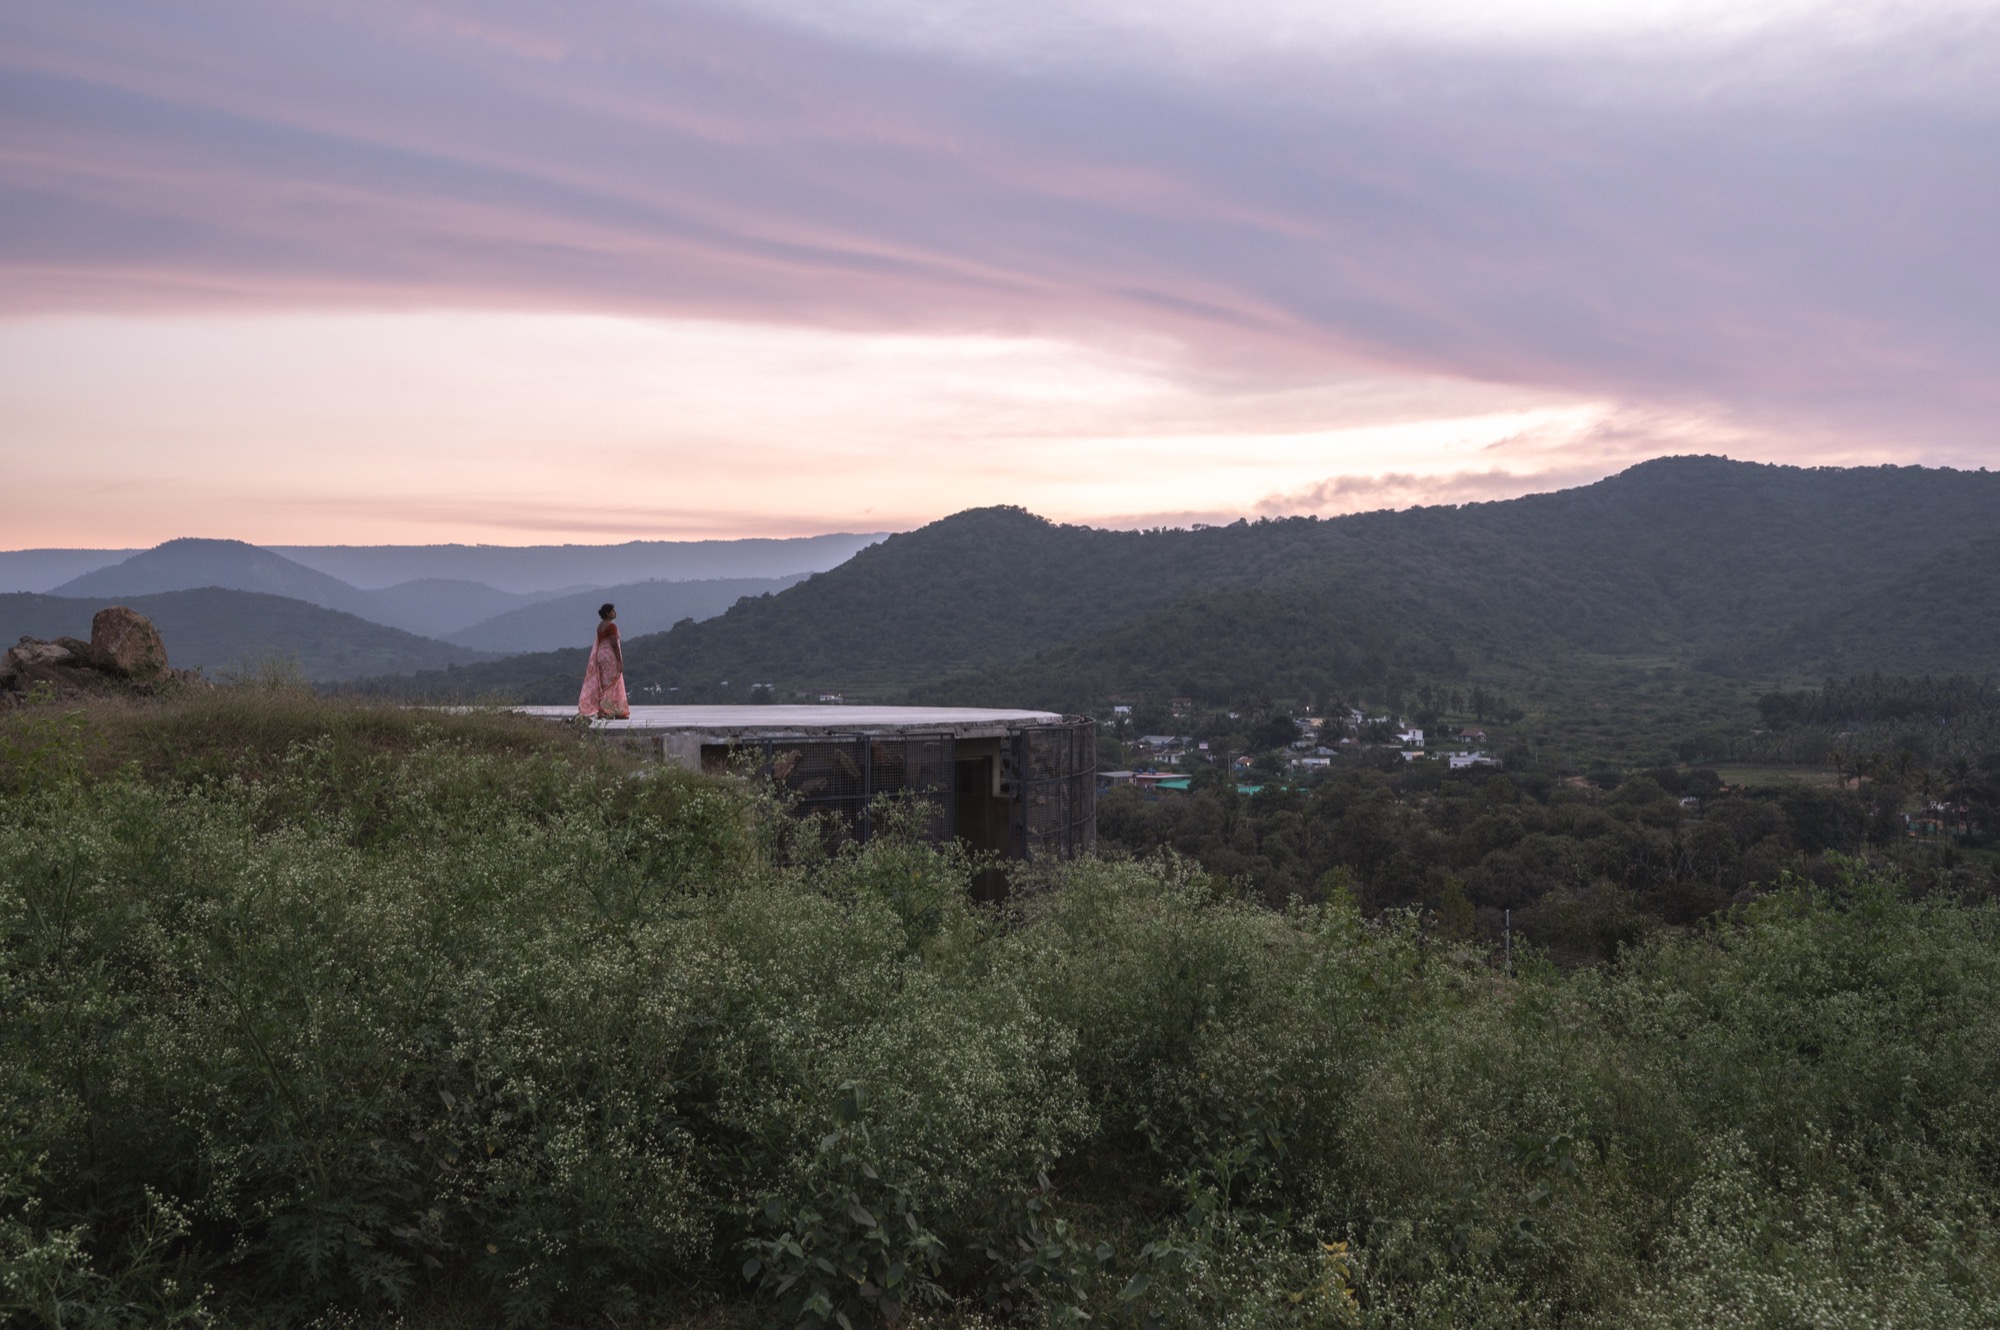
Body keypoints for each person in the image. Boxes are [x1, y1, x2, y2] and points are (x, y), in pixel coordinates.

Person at [578, 603, 630, 720]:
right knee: (612, 684)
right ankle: (609, 710)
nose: (615, 612)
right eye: (613, 611)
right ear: (607, 613)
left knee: (605, 684)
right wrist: (619, 661)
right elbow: (614, 644)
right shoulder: (612, 627)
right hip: (610, 657)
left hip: (601, 656)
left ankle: (607, 710)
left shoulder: (600, 626)